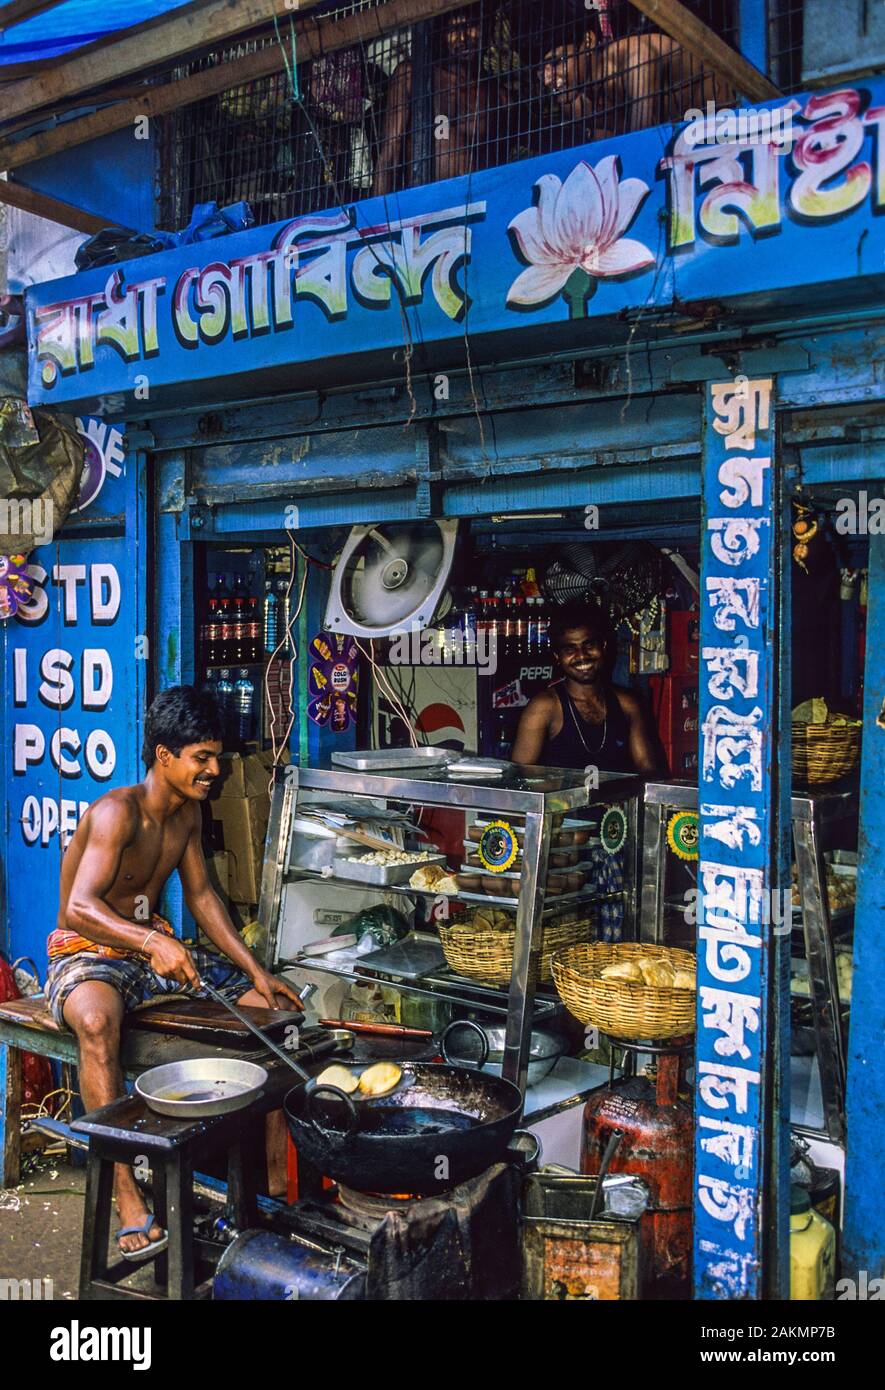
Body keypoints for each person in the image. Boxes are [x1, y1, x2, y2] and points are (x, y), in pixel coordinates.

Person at [46, 686, 303, 1260]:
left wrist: (256, 972)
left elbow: (204, 895)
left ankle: (273, 1193)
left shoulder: (187, 813)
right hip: (89, 951)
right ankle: (127, 1195)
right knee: (94, 1019)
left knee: (277, 1013)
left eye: (216, 757)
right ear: (164, 756)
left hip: (151, 951)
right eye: (202, 759)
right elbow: (79, 908)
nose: (214, 770)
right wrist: (147, 940)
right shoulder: (116, 813)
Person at [511, 600, 661, 773]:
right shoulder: (544, 707)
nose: (582, 656)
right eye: (569, 649)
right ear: (557, 657)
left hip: (616, 799)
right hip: (561, 800)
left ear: (603, 646)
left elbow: (648, 771)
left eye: (589, 645)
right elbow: (520, 778)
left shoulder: (627, 704)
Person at [372, 9, 509, 196]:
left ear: (485, 30)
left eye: (470, 26)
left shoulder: (498, 95)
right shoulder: (412, 75)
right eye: (453, 29)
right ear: (442, 35)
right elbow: (389, 155)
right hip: (427, 204)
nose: (463, 37)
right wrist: (379, 219)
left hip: (478, 204)